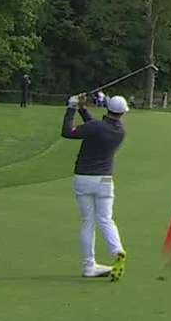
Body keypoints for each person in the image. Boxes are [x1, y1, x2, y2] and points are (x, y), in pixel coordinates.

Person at [62, 92, 129, 281]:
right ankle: (117, 249)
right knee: (106, 219)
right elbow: (94, 126)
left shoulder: (97, 127)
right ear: (122, 113)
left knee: (88, 222)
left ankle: (89, 265)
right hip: (105, 181)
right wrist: (83, 108)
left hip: (84, 178)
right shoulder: (120, 131)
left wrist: (71, 107)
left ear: (107, 108)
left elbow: (67, 132)